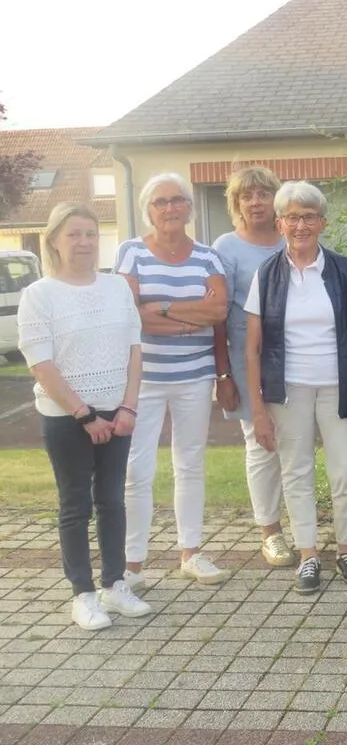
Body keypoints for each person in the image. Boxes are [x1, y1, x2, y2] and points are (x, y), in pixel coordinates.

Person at [17, 204, 152, 629]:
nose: (84, 242)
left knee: (112, 500)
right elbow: (42, 364)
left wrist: (128, 407)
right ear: (54, 239)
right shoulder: (39, 294)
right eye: (74, 234)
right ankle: (83, 594)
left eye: (91, 234)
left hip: (119, 414)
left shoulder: (116, 288)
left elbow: (134, 349)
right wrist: (84, 415)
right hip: (66, 417)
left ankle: (115, 585)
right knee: (75, 504)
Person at [245, 181, 347, 594]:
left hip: (340, 387)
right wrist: (259, 409)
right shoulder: (266, 275)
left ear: (323, 221)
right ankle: (308, 555)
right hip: (288, 390)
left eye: (309, 217)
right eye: (292, 217)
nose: (301, 225)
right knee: (295, 472)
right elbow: (253, 348)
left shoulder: (345, 269)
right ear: (280, 222)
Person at [115, 173, 230, 587]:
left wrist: (159, 308)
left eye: (178, 200)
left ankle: (191, 552)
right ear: (149, 209)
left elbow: (217, 313)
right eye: (161, 201)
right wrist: (187, 315)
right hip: (141, 380)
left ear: (188, 207)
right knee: (136, 469)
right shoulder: (130, 252)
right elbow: (129, 315)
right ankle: (131, 564)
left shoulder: (207, 257)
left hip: (194, 377)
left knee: (190, 463)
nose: (170, 208)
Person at [211, 167, 292, 568]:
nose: (256, 202)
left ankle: (304, 527)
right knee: (261, 443)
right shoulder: (226, 247)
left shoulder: (292, 237)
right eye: (247, 196)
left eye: (263, 194)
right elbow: (218, 316)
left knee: (293, 441)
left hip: (296, 358)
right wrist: (223, 374)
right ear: (236, 203)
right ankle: (270, 532)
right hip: (247, 360)